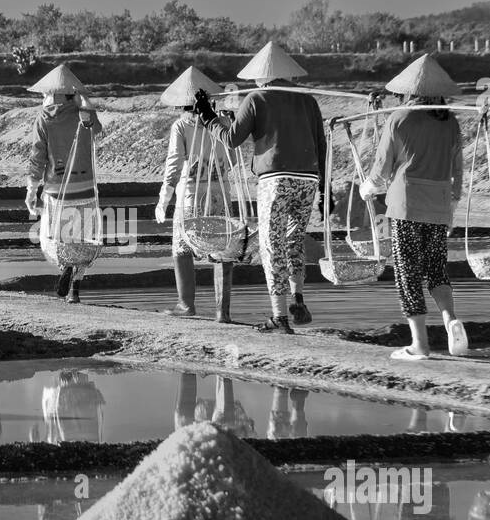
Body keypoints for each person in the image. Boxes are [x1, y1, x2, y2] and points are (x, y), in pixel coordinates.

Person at [195, 41, 328, 333]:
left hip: (275, 179)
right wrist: (325, 190)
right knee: (294, 241)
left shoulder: (256, 98)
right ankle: (298, 299)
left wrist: (207, 117)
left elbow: (231, 138)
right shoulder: (308, 101)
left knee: (272, 245)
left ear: (262, 76)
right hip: (308, 180)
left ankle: (279, 317)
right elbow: (321, 144)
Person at [359, 54, 469, 360]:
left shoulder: (400, 119)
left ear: (410, 90)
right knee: (436, 270)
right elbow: (457, 171)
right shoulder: (451, 124)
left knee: (407, 274)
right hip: (438, 208)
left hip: (406, 207)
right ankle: (451, 320)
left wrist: (366, 189)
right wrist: (452, 205)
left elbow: (381, 170)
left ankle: (419, 345)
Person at [156, 67, 237, 323]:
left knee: (181, 247)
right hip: (220, 193)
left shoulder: (181, 126)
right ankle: (221, 311)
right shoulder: (223, 124)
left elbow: (173, 166)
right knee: (224, 248)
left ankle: (186, 304)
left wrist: (163, 200)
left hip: (190, 194)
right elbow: (233, 160)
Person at [26, 64, 103, 305]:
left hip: (56, 190)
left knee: (58, 239)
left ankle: (65, 267)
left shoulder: (44, 118)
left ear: (51, 94)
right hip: (85, 187)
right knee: (83, 239)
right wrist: (85, 103)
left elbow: (37, 156)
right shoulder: (85, 116)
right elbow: (96, 130)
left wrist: (31, 189)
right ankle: (75, 289)